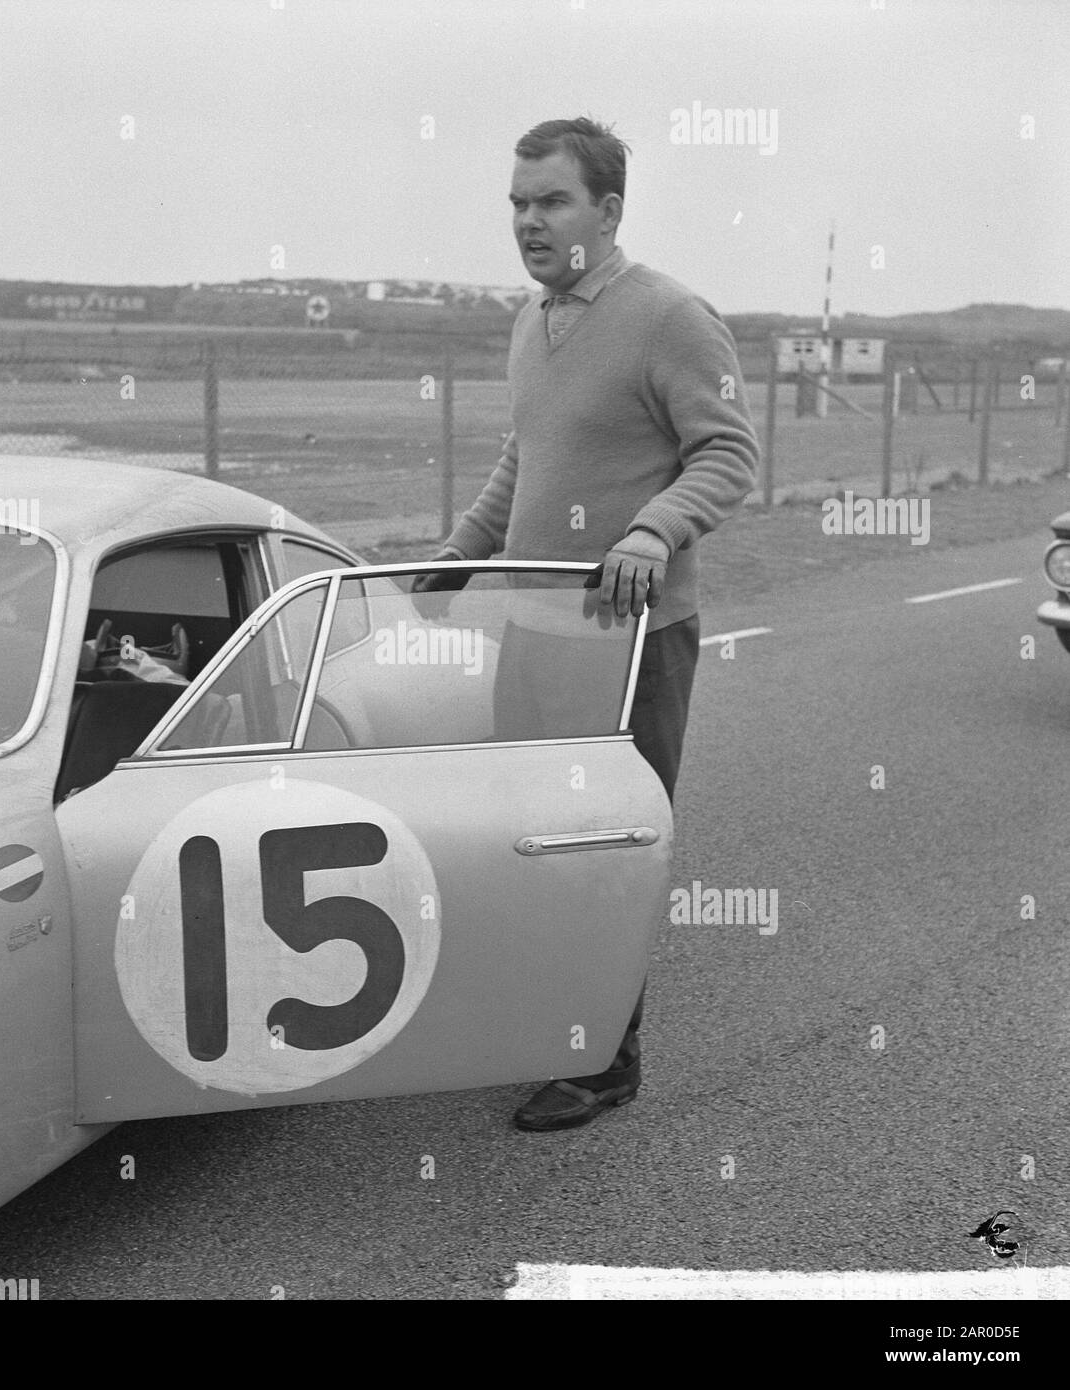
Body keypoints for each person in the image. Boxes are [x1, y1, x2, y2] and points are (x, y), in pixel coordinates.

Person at [416, 116, 759, 1131]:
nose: (528, 221)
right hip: (532, 628)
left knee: (603, 844)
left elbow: (728, 454)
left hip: (630, 643)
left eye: (551, 201)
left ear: (606, 209)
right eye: (518, 203)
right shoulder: (534, 319)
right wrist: (455, 557)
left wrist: (653, 531)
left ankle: (605, 1057)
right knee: (530, 837)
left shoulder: (670, 317)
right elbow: (525, 460)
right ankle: (544, 1020)